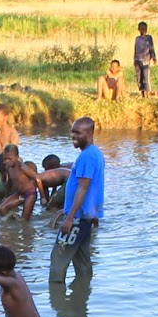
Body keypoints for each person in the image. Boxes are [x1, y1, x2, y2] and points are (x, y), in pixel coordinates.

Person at [50, 118, 104, 286]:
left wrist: (70, 217)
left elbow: (83, 188)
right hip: (85, 216)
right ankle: (81, 298)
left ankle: (56, 300)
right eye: (72, 131)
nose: (73, 136)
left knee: (58, 257)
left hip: (78, 218)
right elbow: (95, 186)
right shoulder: (95, 153)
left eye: (77, 132)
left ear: (89, 133)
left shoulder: (86, 157)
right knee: (82, 260)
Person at [0, 149, 42, 219]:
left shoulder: (22, 168)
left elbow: (37, 179)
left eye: (9, 159)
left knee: (24, 220)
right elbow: (9, 182)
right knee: (2, 208)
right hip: (19, 194)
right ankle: (12, 224)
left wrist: (43, 197)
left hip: (30, 194)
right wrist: (6, 196)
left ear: (17, 157)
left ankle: (23, 226)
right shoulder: (8, 167)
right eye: (5, 159)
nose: (6, 161)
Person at [133, 21, 156, 96]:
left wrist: (154, 58)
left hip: (145, 61)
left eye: (144, 28)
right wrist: (134, 59)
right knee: (139, 77)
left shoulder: (149, 38)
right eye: (141, 28)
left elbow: (151, 48)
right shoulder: (137, 38)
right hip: (137, 60)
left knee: (145, 77)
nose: (143, 30)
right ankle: (142, 92)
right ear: (138, 29)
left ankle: (147, 93)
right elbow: (135, 49)